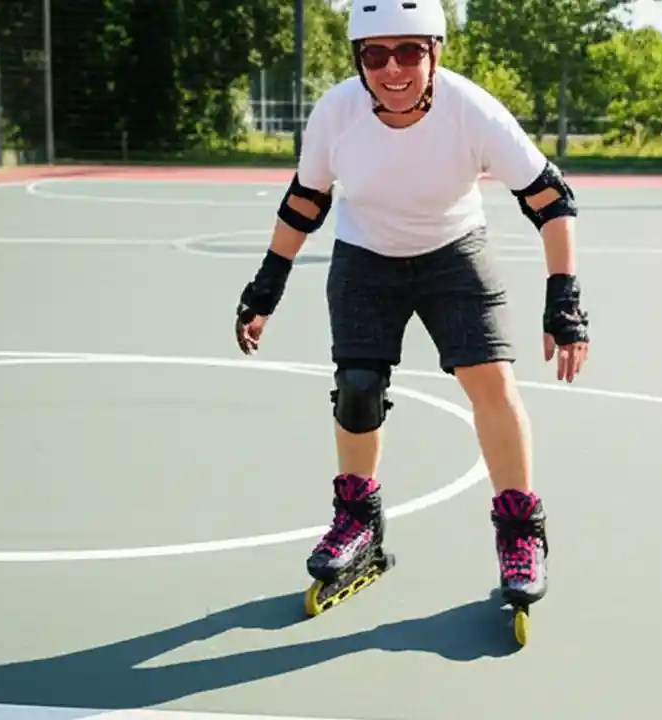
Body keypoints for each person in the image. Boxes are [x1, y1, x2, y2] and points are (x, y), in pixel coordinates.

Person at [233, 0, 589, 609]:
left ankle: (520, 533)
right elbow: (304, 202)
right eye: (375, 54)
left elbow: (551, 200)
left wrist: (565, 300)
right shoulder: (337, 113)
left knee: (491, 382)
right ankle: (359, 522)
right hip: (365, 256)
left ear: (434, 54)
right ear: (358, 60)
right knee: (358, 386)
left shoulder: (470, 110)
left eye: (408, 52)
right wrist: (266, 286)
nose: (392, 69)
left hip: (455, 251)